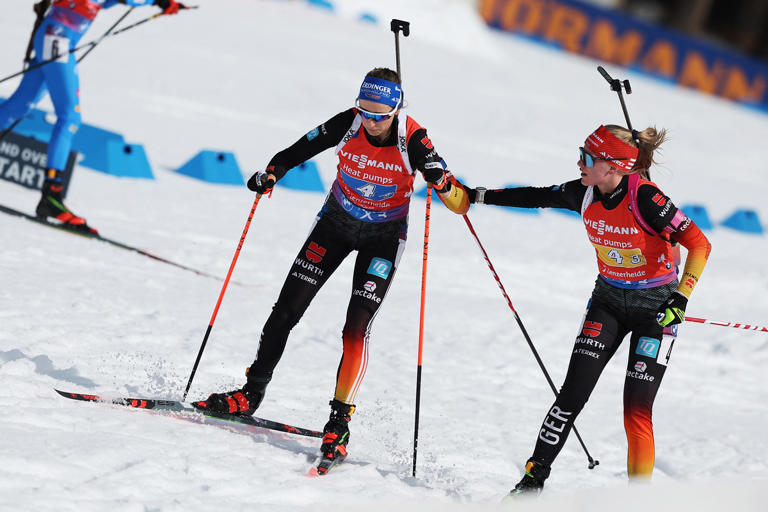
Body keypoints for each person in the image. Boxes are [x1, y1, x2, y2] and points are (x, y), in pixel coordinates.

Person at [193, 67, 470, 469]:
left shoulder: (415, 139)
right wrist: (273, 172)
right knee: (285, 311)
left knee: (355, 328)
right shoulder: (349, 123)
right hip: (335, 225)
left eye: (380, 115)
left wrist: (442, 182)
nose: (372, 122)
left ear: (396, 109)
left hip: (383, 238)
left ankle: (338, 424)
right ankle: (250, 393)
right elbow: (294, 152)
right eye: (366, 111)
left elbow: (459, 203)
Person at [467, 124, 711, 495]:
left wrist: (681, 297)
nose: (578, 163)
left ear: (613, 167)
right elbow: (533, 196)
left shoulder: (647, 199)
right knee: (571, 396)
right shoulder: (582, 192)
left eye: (587, 158)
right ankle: (532, 481)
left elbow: (700, 244)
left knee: (636, 413)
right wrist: (474, 196)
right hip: (608, 303)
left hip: (656, 312)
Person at [0, 0, 184, 233]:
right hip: (57, 38)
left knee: (19, 106)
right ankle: (51, 196)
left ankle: (51, 197)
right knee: (69, 118)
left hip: (55, 35)